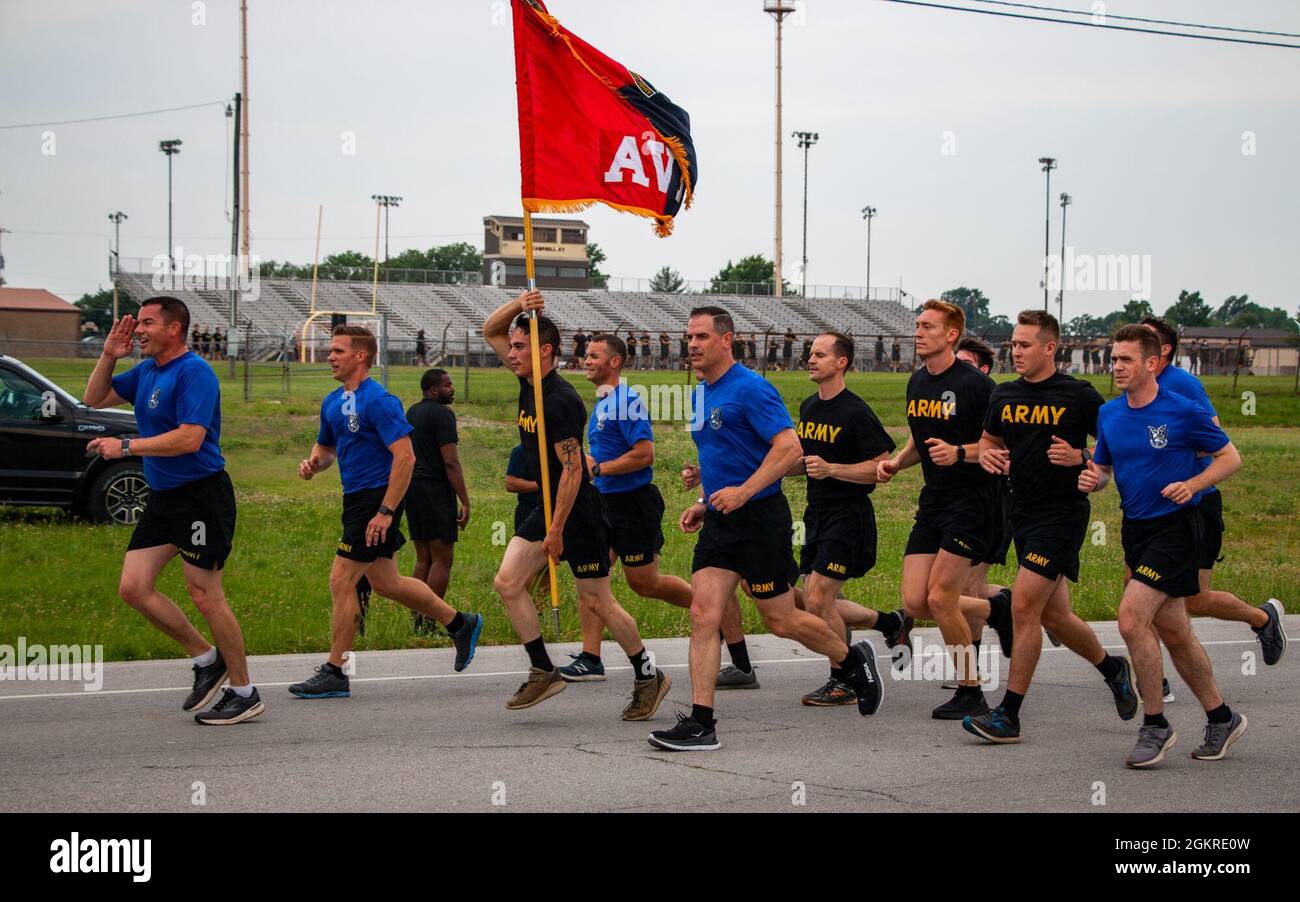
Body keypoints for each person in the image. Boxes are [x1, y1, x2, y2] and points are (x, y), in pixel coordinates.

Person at [647, 306, 883, 752]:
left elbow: (788, 449)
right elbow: (727, 454)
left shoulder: (753, 388)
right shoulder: (700, 393)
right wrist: (703, 498)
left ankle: (851, 660)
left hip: (760, 520)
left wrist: (743, 492)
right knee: (703, 614)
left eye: (701, 337)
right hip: (720, 522)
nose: (692, 345)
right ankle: (702, 723)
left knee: (781, 619)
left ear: (726, 340)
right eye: (689, 337)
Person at [484, 291, 668, 716]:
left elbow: (572, 471)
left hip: (575, 512)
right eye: (510, 347)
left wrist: (555, 530)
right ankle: (543, 670)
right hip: (546, 505)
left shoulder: (560, 400)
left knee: (598, 600)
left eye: (518, 347)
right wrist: (519, 305)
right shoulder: (526, 383)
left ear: (544, 352)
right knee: (508, 583)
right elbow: (489, 330)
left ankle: (647, 674)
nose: (509, 353)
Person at [82, 298, 263, 725]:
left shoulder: (194, 371)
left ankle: (245, 691)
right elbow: (94, 398)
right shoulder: (147, 370)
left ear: (175, 328)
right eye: (137, 323)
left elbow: (190, 439)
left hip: (201, 496)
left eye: (147, 323)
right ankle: (205, 659)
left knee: (204, 594)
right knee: (134, 586)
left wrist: (125, 446)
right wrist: (108, 355)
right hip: (164, 498)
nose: (138, 330)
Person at [962, 310, 1140, 744]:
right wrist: (988, 455)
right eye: (1013, 344)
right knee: (1056, 617)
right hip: (1019, 511)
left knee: (1024, 608)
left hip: (1061, 515)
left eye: (1024, 345)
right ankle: (1112, 668)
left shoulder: (1079, 396)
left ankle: (1008, 714)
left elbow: (1113, 452)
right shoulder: (1003, 395)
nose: (1015, 351)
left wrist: (1083, 461)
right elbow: (990, 440)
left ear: (1049, 347)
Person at [1080, 324, 1247, 767]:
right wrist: (1091, 480)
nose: (1115, 366)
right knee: (1173, 629)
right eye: (1113, 359)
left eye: (1125, 359)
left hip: (1177, 528)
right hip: (1135, 530)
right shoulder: (1110, 414)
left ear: (1152, 363)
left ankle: (1155, 724)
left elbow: (1230, 457)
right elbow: (1104, 468)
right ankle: (1222, 716)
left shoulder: (1183, 410)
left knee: (1132, 619)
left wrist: (1192, 484)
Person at [292, 325, 483, 699]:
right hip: (355, 498)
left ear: (361, 356)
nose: (330, 356)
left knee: (341, 581)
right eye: (331, 350)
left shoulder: (380, 400)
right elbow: (327, 450)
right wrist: (314, 464)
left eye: (338, 350)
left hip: (376, 500)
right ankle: (461, 623)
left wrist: (386, 511)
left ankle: (336, 670)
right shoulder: (332, 401)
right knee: (386, 583)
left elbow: (406, 457)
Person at [564, 332, 748, 717]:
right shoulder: (601, 403)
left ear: (614, 362)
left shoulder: (626, 402)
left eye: (594, 355)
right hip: (603, 502)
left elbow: (645, 455)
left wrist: (597, 467)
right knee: (592, 580)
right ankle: (590, 656)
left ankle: (706, 613)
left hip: (632, 505)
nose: (586, 360)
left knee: (644, 584)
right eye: (586, 355)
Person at [876, 300, 1014, 720]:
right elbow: (922, 440)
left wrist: (960, 453)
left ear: (951, 335)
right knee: (916, 602)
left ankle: (971, 691)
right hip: (934, 500)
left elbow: (1003, 448)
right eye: (917, 325)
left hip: (974, 501)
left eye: (928, 326)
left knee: (941, 597)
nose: (918, 332)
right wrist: (898, 463)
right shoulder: (917, 381)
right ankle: (999, 608)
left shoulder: (977, 387)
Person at [1138, 317, 1285, 687]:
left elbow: (1214, 438)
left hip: (1196, 504)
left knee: (1196, 601)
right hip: (1153, 509)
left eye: (1146, 338)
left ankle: (1263, 619)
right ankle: (1154, 679)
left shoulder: (1183, 384)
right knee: (1139, 588)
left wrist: (1174, 458)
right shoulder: (1137, 388)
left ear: (1164, 350)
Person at [789, 332, 914, 706]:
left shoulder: (856, 411)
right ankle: (890, 623)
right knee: (812, 600)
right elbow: (805, 462)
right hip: (817, 513)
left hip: (848, 513)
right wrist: (763, 475)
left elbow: (880, 468)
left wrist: (833, 470)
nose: (811, 360)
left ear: (841, 362)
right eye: (810, 354)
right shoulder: (810, 407)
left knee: (818, 599)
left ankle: (844, 677)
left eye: (820, 354)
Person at [404, 369, 470, 635]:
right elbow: (450, 461)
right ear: (433, 390)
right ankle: (431, 621)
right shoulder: (443, 415)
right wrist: (464, 500)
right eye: (447, 385)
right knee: (442, 560)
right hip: (435, 489)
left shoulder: (412, 412)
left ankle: (418, 620)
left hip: (412, 488)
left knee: (423, 559)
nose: (452, 388)